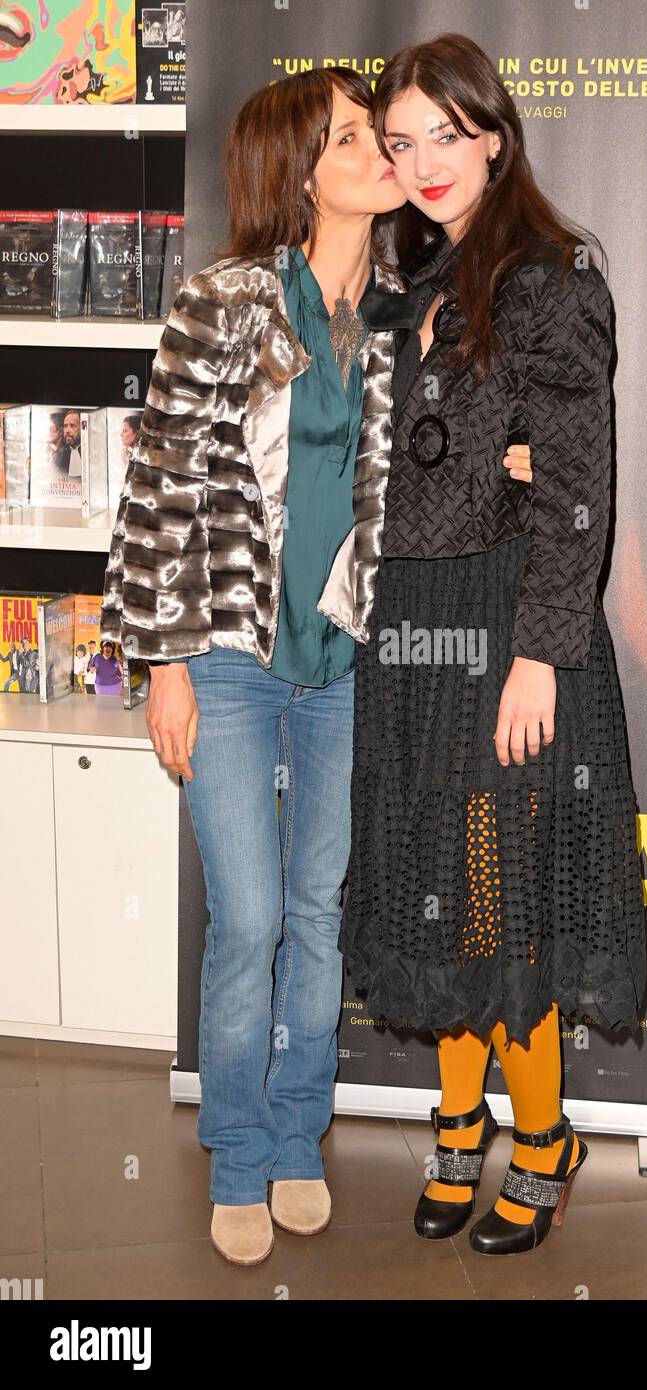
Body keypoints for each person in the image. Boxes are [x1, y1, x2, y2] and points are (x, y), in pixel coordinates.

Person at [99, 65, 533, 1268]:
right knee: (245, 922)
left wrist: (512, 463)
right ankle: (235, 1154)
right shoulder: (222, 302)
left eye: (375, 134)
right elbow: (160, 494)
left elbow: (427, 479)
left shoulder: (407, 308)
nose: (382, 153)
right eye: (353, 136)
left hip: (348, 668)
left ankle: (298, 1139)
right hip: (232, 662)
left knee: (316, 912)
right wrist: (167, 664)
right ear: (299, 171)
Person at [338, 33, 647, 1256]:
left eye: (441, 137)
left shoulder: (550, 279)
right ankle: (454, 1124)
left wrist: (539, 653)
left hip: (505, 632)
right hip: (408, 633)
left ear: (493, 136)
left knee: (496, 900)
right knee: (437, 892)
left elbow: (578, 487)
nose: (420, 162)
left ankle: (541, 1137)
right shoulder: (413, 280)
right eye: (400, 142)